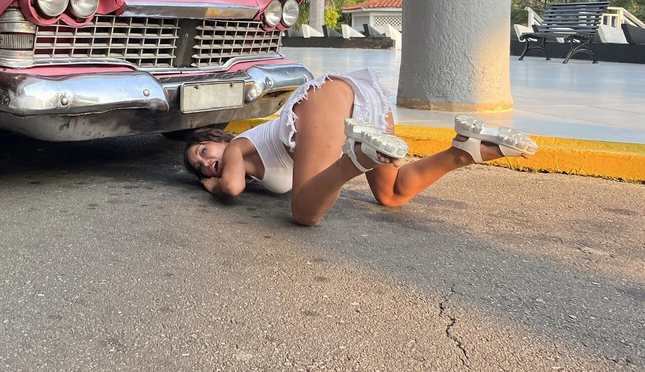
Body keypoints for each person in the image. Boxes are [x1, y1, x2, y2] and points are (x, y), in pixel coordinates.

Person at [182, 68, 537, 226]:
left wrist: (209, 185)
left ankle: (356, 157)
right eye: (199, 169)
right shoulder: (250, 160)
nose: (205, 166)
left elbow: (231, 187)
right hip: (355, 99)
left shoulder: (235, 149)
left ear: (217, 139)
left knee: (305, 214)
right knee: (392, 193)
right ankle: (464, 150)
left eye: (202, 154)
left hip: (324, 104)